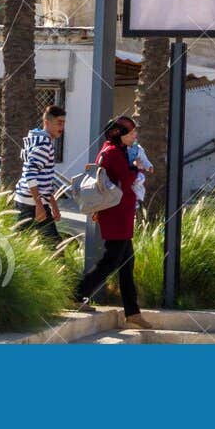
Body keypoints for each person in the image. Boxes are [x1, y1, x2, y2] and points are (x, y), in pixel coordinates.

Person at [75, 116, 143, 325]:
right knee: (111, 261)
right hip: (117, 215)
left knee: (126, 263)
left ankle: (132, 313)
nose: (134, 136)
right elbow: (126, 178)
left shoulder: (110, 150)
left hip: (118, 214)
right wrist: (137, 167)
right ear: (119, 135)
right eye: (130, 133)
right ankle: (78, 294)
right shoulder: (113, 153)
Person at [13, 104, 66, 247]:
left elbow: (44, 180)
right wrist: (39, 205)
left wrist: (53, 205)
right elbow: (30, 174)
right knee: (54, 246)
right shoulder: (44, 145)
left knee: (19, 243)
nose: (62, 127)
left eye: (63, 123)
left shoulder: (40, 141)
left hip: (28, 201)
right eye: (59, 123)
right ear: (47, 123)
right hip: (31, 203)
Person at [127, 135, 155, 206]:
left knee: (140, 178)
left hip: (136, 171)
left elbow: (144, 159)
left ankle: (136, 199)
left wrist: (149, 166)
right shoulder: (122, 148)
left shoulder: (138, 149)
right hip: (126, 171)